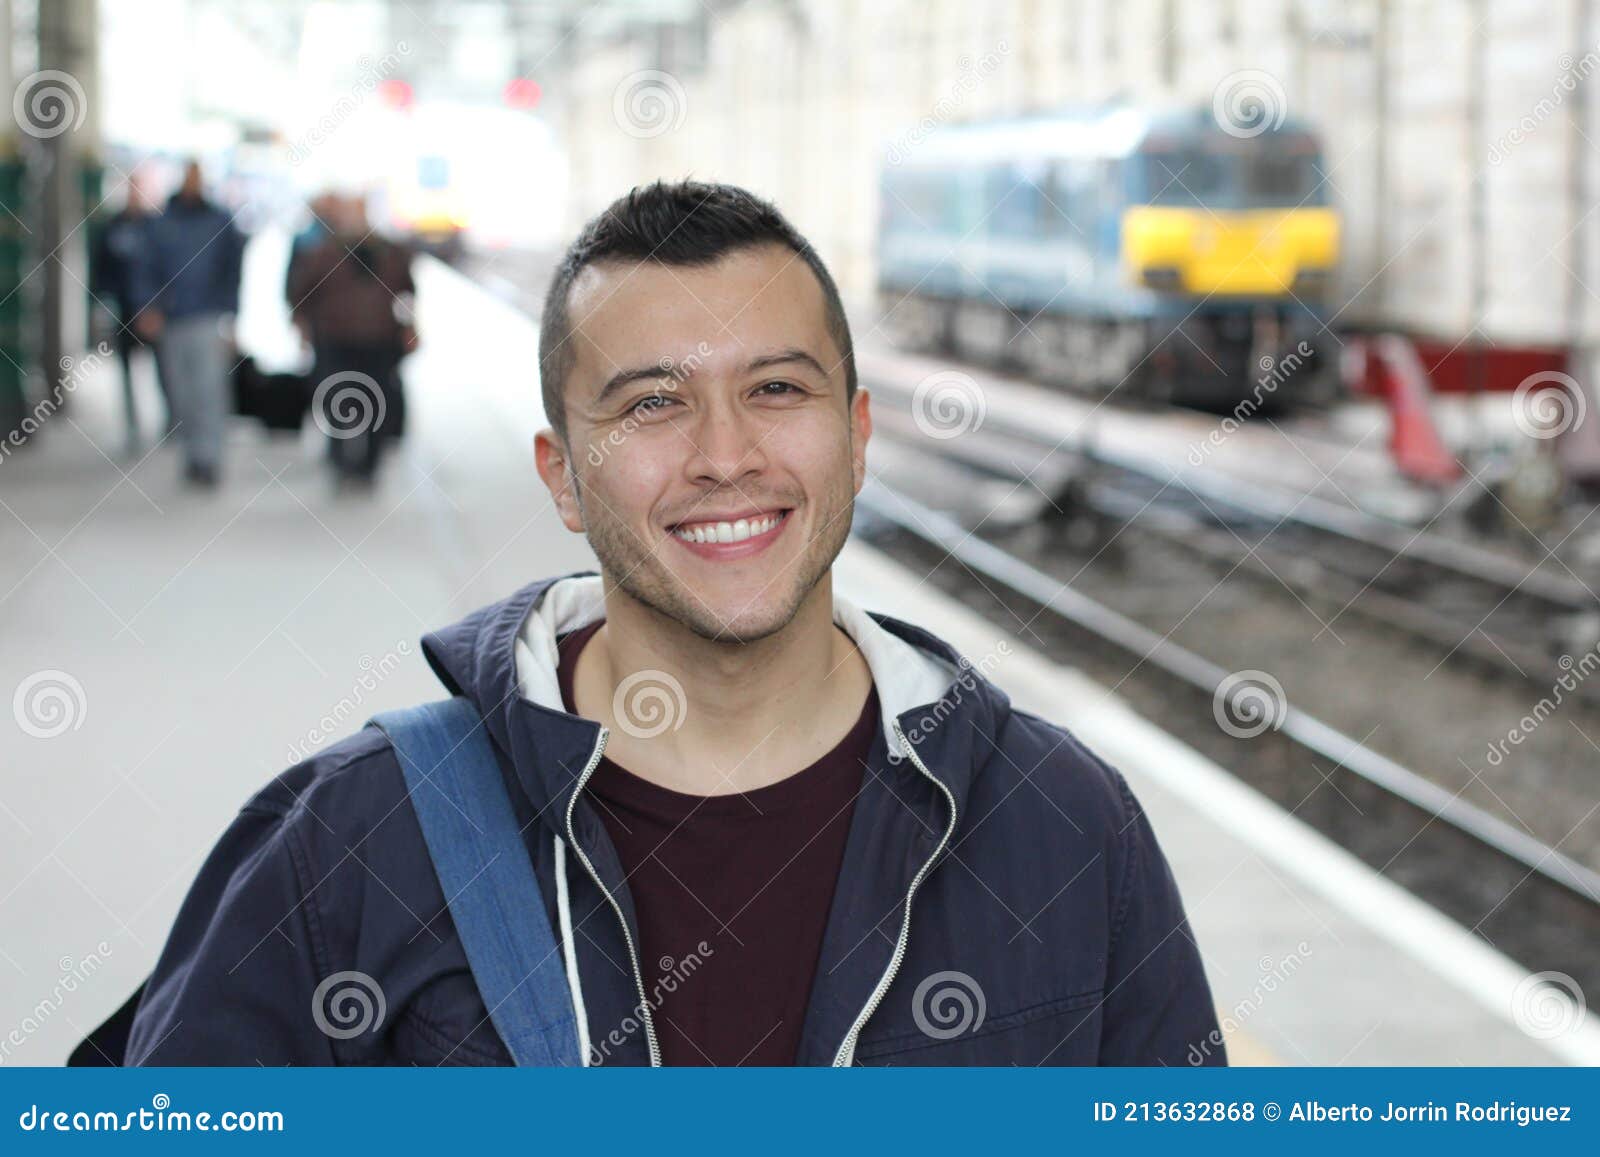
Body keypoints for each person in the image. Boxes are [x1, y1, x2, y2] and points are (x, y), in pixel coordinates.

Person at [124, 180, 1222, 1066]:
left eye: (778, 389)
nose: (725, 454)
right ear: (563, 476)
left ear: (857, 433)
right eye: (651, 402)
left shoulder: (1066, 826)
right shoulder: (352, 838)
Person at [286, 194, 415, 487]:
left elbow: (407, 293)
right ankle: (341, 461)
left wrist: (410, 328)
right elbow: (301, 294)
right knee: (337, 400)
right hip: (335, 339)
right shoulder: (323, 253)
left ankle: (368, 466)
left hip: (379, 339)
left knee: (377, 402)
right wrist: (302, 327)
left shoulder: (390, 252)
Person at [132, 159, 246, 488]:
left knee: (209, 389)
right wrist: (148, 306)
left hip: (208, 316)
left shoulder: (219, 222)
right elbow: (146, 267)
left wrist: (232, 316)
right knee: (180, 392)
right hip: (173, 319)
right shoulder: (161, 223)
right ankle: (191, 455)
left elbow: (233, 272)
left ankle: (208, 457)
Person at [89, 174, 171, 456]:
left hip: (151, 311)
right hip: (123, 311)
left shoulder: (155, 226)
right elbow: (100, 270)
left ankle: (169, 420)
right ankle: (132, 424)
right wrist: (100, 303)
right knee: (126, 372)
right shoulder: (112, 226)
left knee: (163, 367)